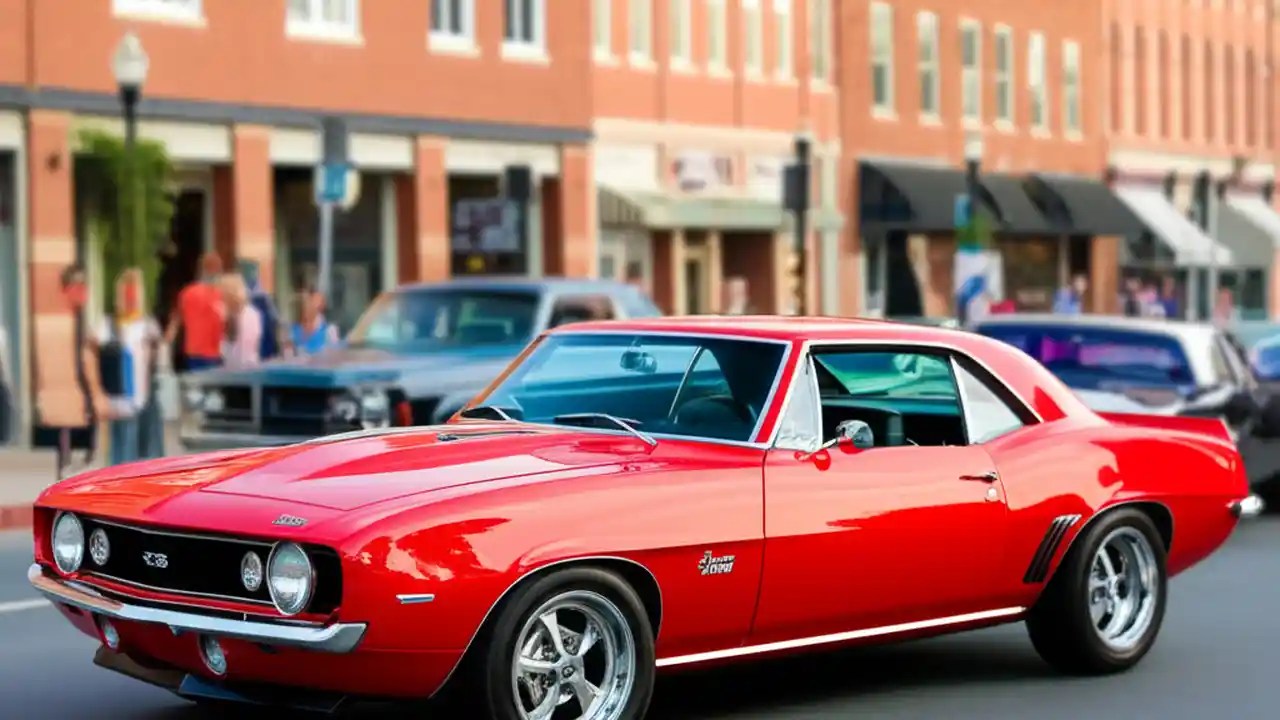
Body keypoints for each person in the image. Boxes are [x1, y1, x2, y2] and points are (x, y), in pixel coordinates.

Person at [39, 265, 107, 479]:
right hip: (69, 381)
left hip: (81, 377)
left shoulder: (82, 317)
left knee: (89, 420)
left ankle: (85, 459)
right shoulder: (62, 319)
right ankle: (67, 465)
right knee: (67, 423)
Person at [94, 269, 162, 466]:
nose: (131, 299)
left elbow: (157, 361)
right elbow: (93, 356)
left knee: (144, 456)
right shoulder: (108, 325)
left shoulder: (148, 325)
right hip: (118, 399)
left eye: (134, 293)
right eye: (127, 293)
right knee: (120, 455)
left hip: (143, 399)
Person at [165, 252, 225, 371]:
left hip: (193, 353)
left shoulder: (187, 293)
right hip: (214, 354)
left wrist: (165, 344)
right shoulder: (219, 294)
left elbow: (175, 322)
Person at [220, 273, 262, 369]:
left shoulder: (224, 315)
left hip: (231, 372)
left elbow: (224, 349)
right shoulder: (253, 313)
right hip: (252, 368)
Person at [286, 288, 340, 357]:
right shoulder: (293, 332)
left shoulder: (329, 331)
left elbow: (335, 356)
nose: (317, 304)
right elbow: (288, 358)